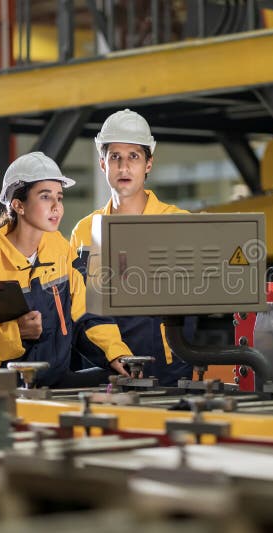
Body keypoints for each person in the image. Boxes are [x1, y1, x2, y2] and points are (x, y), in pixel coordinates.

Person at [0, 151, 132, 387]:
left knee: (122, 381)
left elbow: (85, 316)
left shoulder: (61, 251)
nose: (56, 206)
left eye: (59, 198)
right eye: (45, 197)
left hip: (54, 381)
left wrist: (115, 353)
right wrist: (15, 332)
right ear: (18, 205)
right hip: (6, 387)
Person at [70, 109, 193, 386]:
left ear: (149, 164)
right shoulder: (84, 230)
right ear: (103, 164)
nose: (124, 167)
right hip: (102, 367)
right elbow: (78, 305)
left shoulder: (177, 223)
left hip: (167, 369)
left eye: (133, 157)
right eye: (115, 157)